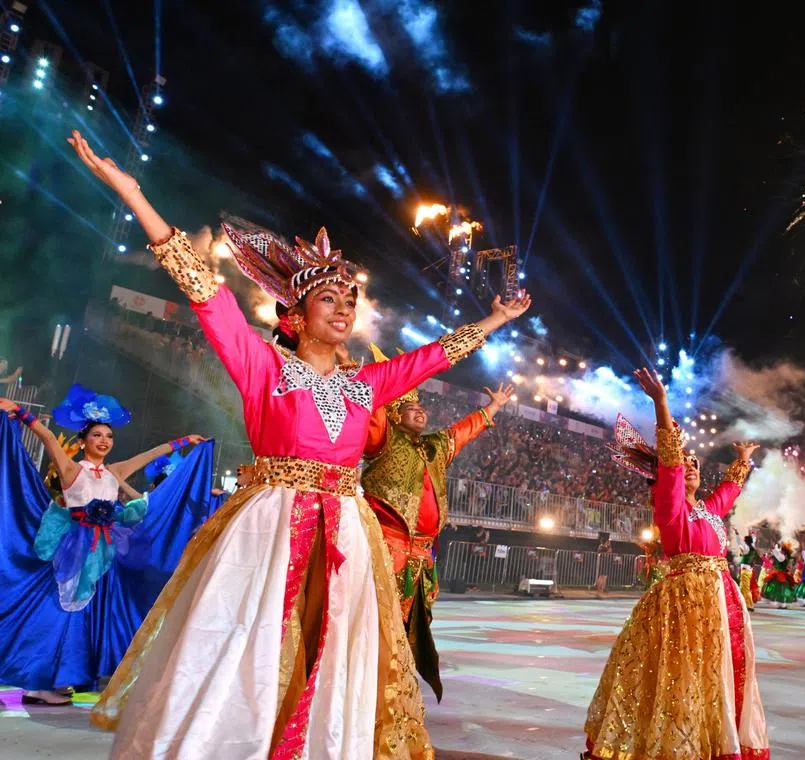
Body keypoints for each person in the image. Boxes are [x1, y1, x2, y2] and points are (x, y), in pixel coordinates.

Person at [68, 130, 531, 758]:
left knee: (332, 647)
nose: (343, 309)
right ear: (295, 314)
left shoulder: (366, 386)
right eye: (328, 299)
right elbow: (204, 290)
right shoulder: (262, 365)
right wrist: (133, 193)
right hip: (270, 526)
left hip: (347, 530)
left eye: (350, 300)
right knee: (249, 639)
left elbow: (435, 356)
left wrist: (496, 319)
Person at [584, 368, 769, 760]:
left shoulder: (709, 512)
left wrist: (743, 459)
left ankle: (713, 744)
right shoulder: (670, 509)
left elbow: (729, 491)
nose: (691, 466)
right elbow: (669, 462)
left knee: (716, 677)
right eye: (685, 463)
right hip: (684, 606)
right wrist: (661, 403)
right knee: (681, 676)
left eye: (696, 463)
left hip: (721, 604)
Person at [0, 385, 206, 705]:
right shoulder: (71, 469)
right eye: (97, 435)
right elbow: (48, 437)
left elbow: (148, 456)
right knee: (62, 614)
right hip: (74, 553)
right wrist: (21, 411)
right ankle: (39, 683)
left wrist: (183, 442)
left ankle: (66, 676)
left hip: (105, 553)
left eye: (108, 436)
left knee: (90, 617)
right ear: (83, 441)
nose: (104, 441)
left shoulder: (114, 472)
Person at [360, 358, 513, 703]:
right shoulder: (384, 439)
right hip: (386, 548)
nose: (420, 411)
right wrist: (375, 381)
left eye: (422, 408)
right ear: (395, 415)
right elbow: (371, 409)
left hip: (422, 556)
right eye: (410, 408)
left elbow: (463, 431)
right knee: (376, 622)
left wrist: (493, 407)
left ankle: (394, 687)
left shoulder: (434, 446)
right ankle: (368, 685)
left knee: (410, 629)